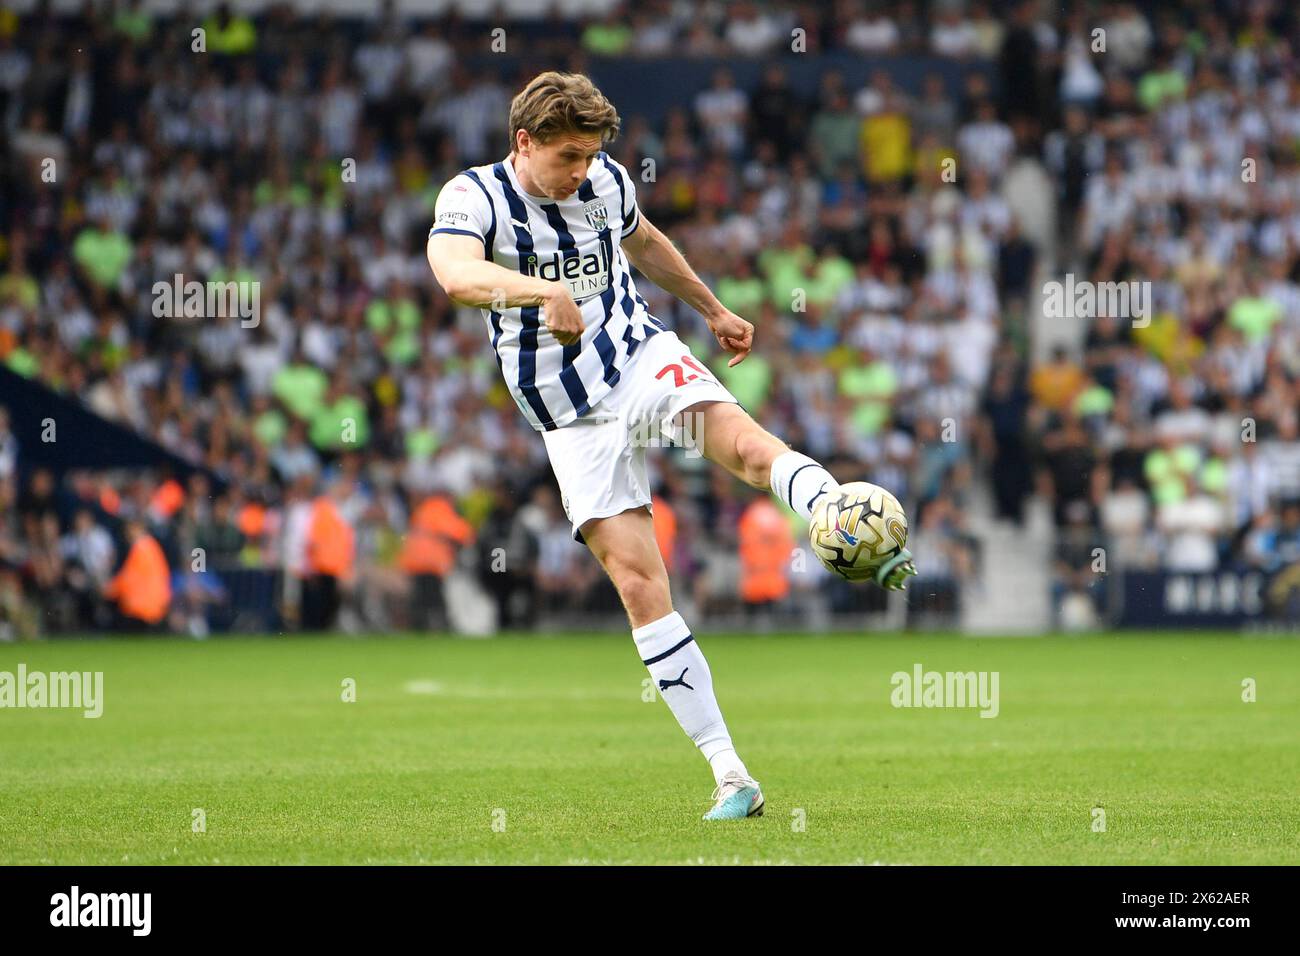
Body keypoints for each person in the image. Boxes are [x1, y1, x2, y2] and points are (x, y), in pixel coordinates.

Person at [427, 72, 916, 821]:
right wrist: (537, 293)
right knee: (638, 586)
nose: (581, 171)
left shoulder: (604, 181)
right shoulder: (475, 197)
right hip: (568, 416)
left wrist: (712, 308)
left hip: (637, 360)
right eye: (566, 156)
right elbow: (455, 274)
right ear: (523, 143)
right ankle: (732, 776)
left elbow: (645, 242)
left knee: (745, 447)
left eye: (591, 155)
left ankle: (842, 514)